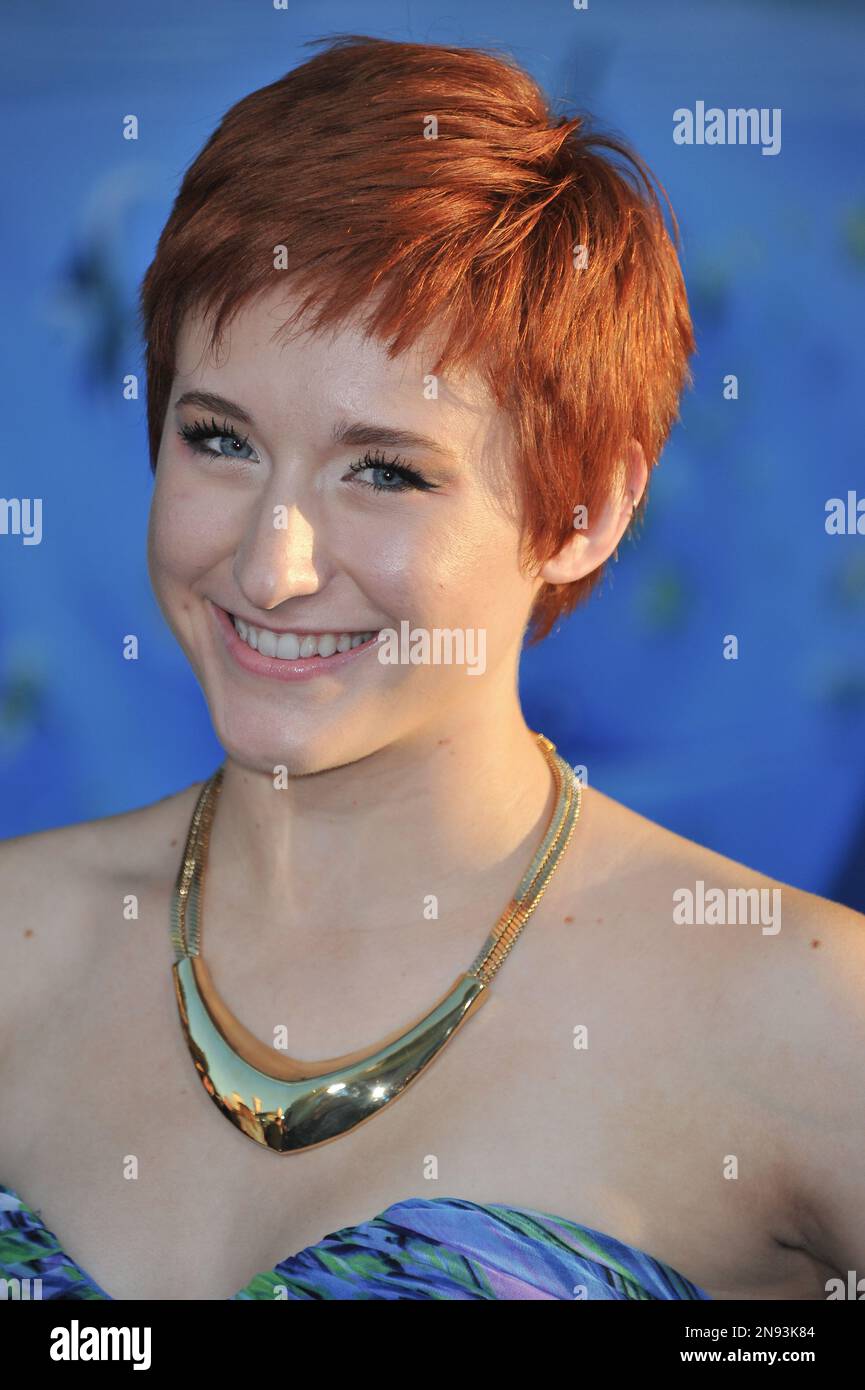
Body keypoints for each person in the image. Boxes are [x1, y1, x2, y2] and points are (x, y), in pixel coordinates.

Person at [1, 33, 863, 1303]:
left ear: (587, 511)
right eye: (219, 440)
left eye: (386, 470)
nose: (272, 564)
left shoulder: (805, 1016)